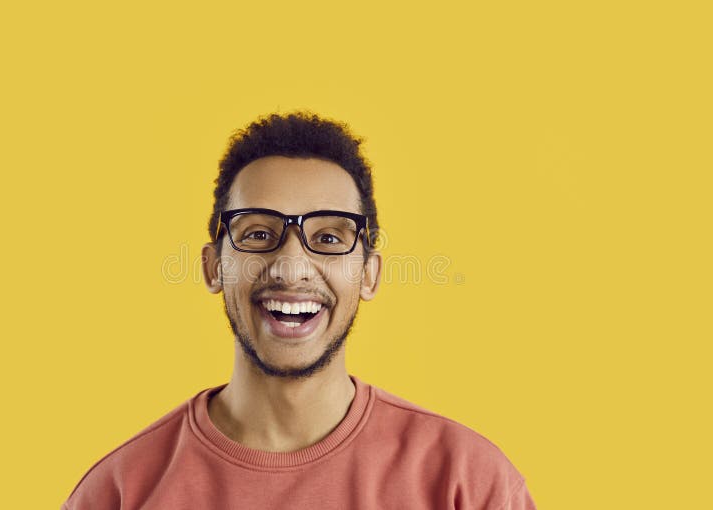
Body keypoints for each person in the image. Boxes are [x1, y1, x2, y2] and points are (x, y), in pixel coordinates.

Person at [62, 112, 537, 509]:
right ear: (213, 268)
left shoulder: (469, 484)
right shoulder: (120, 492)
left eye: (330, 237)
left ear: (369, 274)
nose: (291, 267)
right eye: (257, 234)